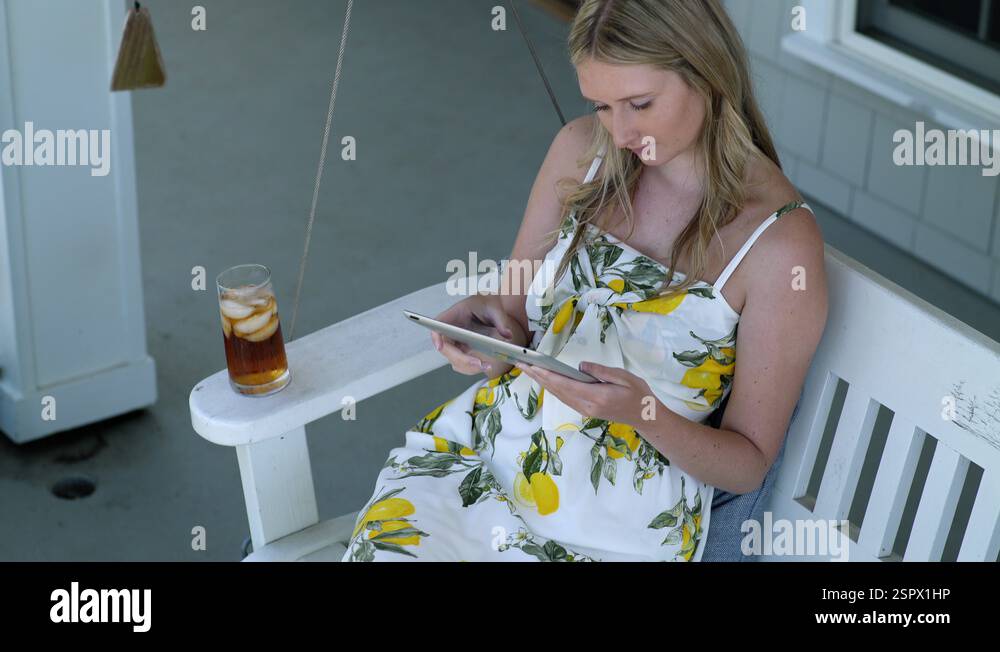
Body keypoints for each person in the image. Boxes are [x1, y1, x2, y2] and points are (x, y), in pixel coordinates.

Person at [342, 0, 828, 562]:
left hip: (614, 529)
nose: (620, 131)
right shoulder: (580, 153)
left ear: (706, 71)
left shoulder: (777, 245)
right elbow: (514, 322)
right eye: (601, 105)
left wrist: (640, 413)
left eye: (640, 104)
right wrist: (485, 335)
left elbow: (747, 463)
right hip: (479, 464)